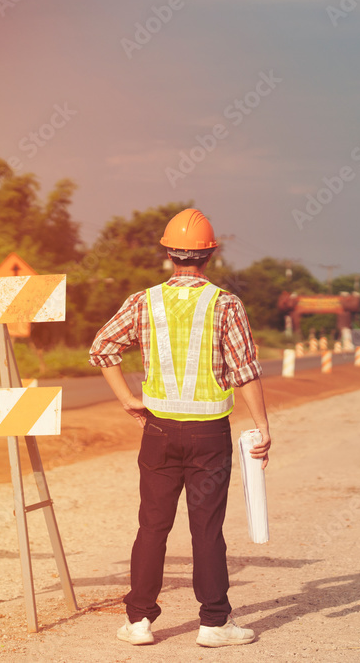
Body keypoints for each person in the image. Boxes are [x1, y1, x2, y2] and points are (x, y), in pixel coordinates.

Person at [88, 207, 272, 648]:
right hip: (209, 434)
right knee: (206, 529)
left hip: (158, 432)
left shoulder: (143, 301)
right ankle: (213, 624)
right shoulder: (225, 303)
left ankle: (138, 621)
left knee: (152, 525)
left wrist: (128, 400)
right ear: (210, 255)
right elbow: (245, 371)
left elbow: (101, 349)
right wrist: (262, 427)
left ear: (169, 254)